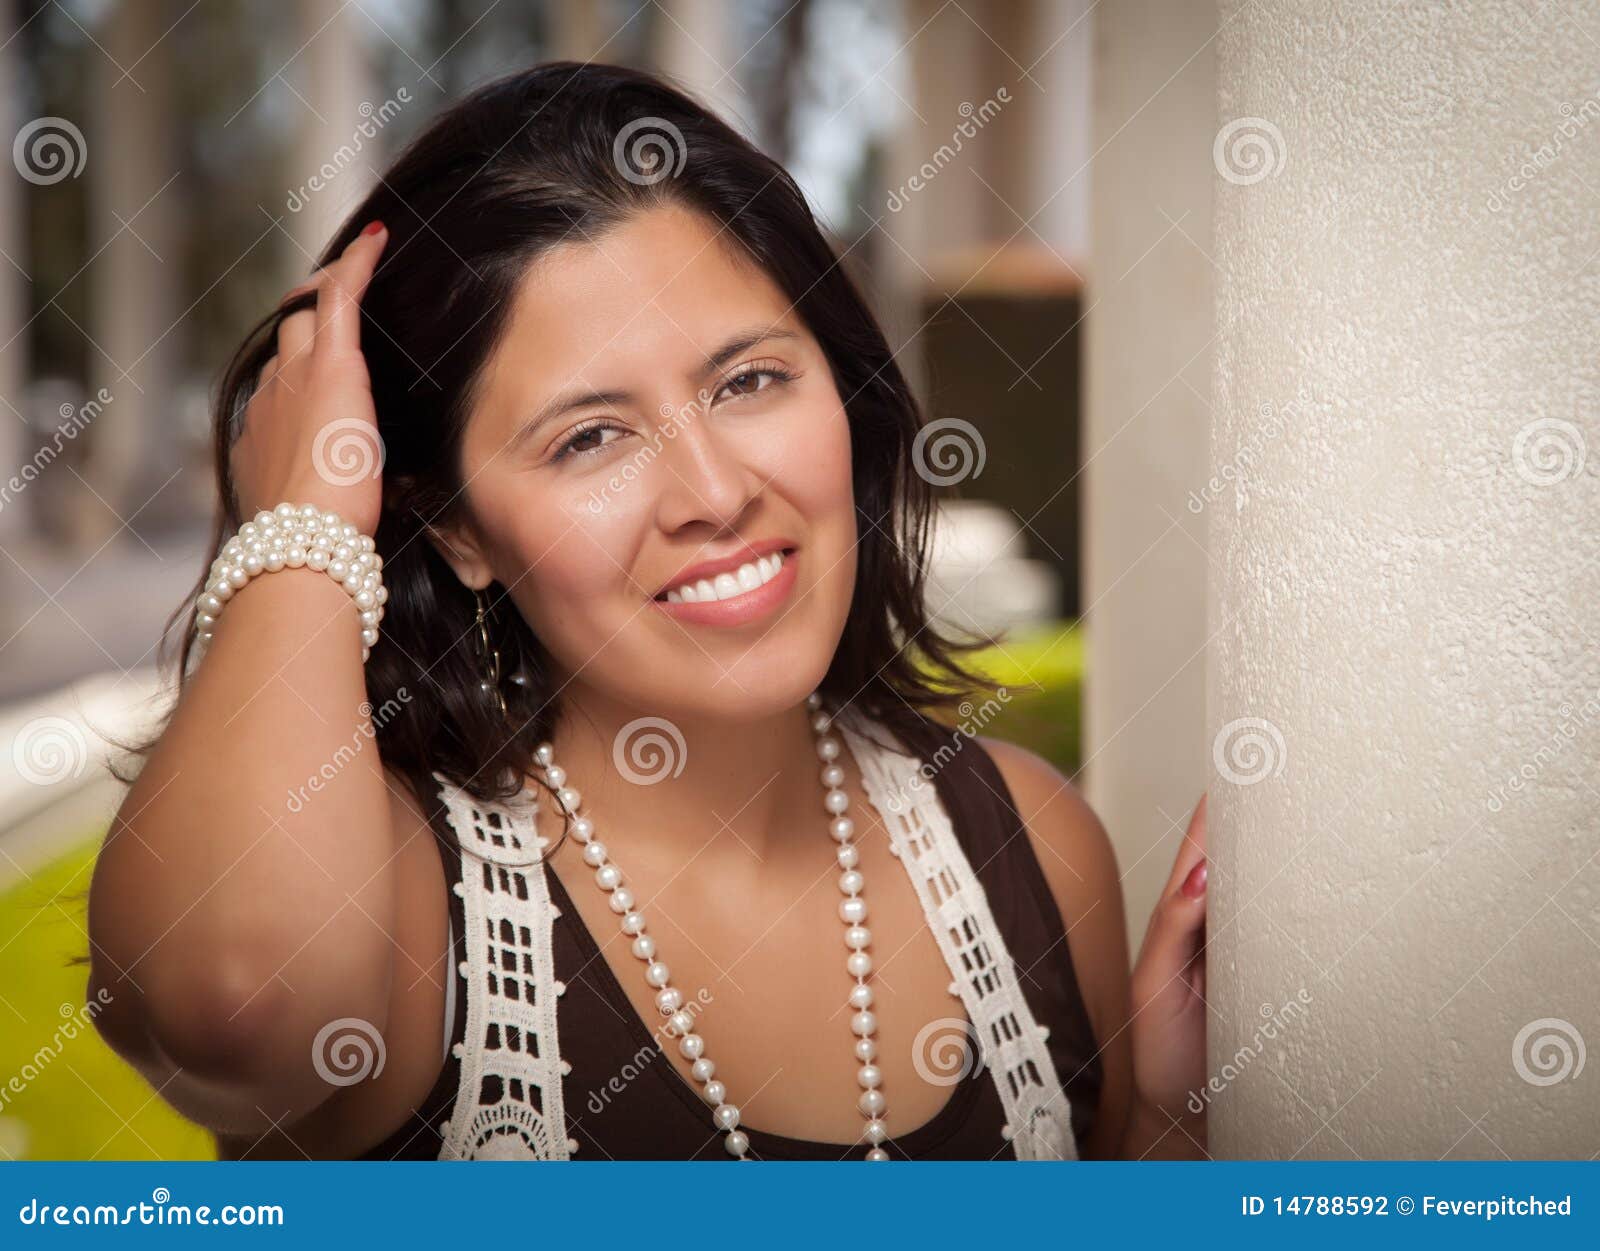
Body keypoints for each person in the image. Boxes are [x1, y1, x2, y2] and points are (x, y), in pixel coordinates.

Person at [85, 60, 1208, 1161]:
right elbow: (228, 1006)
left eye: (749, 381)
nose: (716, 494)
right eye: (589, 438)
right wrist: (306, 522)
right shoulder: (404, 907)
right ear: (460, 531)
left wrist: (1168, 1126)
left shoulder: (1031, 849)